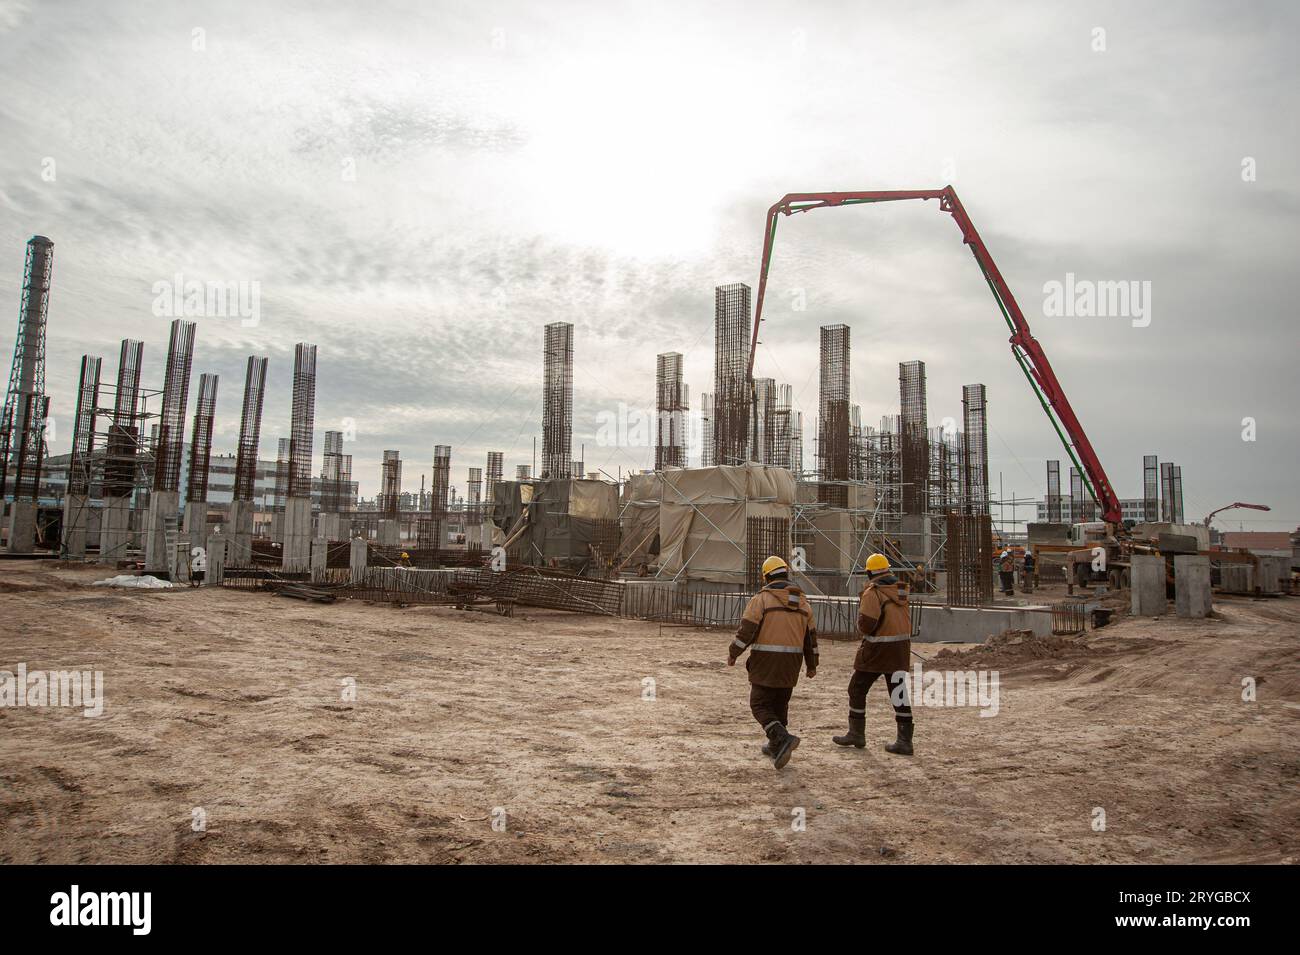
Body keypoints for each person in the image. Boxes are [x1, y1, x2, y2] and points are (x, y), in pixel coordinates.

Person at [727, 556, 818, 770]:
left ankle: (782, 737)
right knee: (780, 703)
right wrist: (812, 665)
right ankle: (776, 746)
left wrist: (734, 653)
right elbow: (811, 639)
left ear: (766, 577)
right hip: (791, 664)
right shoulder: (803, 603)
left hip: (766, 662)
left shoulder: (762, 600)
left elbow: (746, 631)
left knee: (759, 704)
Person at [832, 553, 915, 756]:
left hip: (878, 649)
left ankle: (856, 733)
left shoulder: (873, 592)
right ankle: (905, 741)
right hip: (900, 649)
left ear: (869, 572)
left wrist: (860, 624)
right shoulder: (900, 591)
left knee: (857, 689)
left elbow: (867, 625)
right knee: (899, 693)